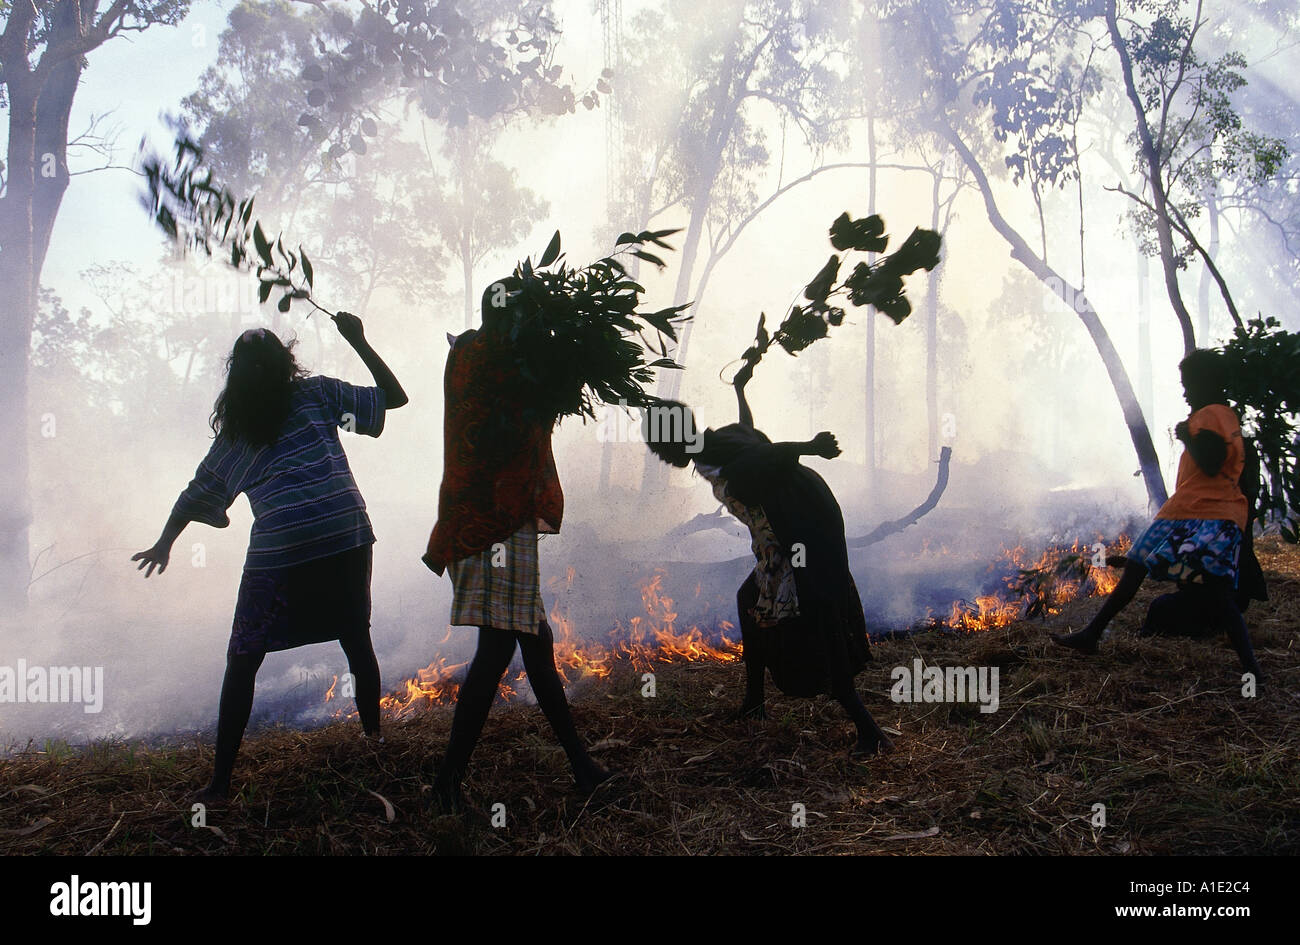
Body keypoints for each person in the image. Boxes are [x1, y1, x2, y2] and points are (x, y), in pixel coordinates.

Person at [132, 313, 407, 801]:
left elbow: (197, 494)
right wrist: (359, 340)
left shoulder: (239, 433)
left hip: (282, 551)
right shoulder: (317, 395)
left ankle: (219, 783)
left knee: (243, 658)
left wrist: (166, 541)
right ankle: (374, 744)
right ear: (286, 363)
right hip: (344, 533)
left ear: (236, 374)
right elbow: (392, 398)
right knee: (355, 638)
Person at [423, 279, 610, 812]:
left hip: (487, 520)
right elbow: (514, 428)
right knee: (502, 647)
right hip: (493, 524)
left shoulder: (469, 352)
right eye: (526, 318)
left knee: (534, 640)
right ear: (511, 321)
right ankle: (448, 785)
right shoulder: (499, 364)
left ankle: (581, 767)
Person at [642, 358, 893, 756]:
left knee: (818, 617)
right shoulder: (719, 439)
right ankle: (755, 701)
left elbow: (768, 457)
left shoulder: (726, 462)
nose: (658, 455)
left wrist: (813, 446)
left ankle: (870, 731)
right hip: (807, 514)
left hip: (805, 528)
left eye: (657, 446)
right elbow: (751, 431)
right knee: (750, 600)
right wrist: (740, 389)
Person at [1052, 349, 1264, 681]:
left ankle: (1252, 669)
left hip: (1204, 515)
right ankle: (1091, 635)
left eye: (1188, 384)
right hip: (1194, 513)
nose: (1184, 392)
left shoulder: (1210, 414)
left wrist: (1185, 436)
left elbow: (1211, 461)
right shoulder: (1225, 416)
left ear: (1204, 382)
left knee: (1214, 591)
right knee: (1140, 564)